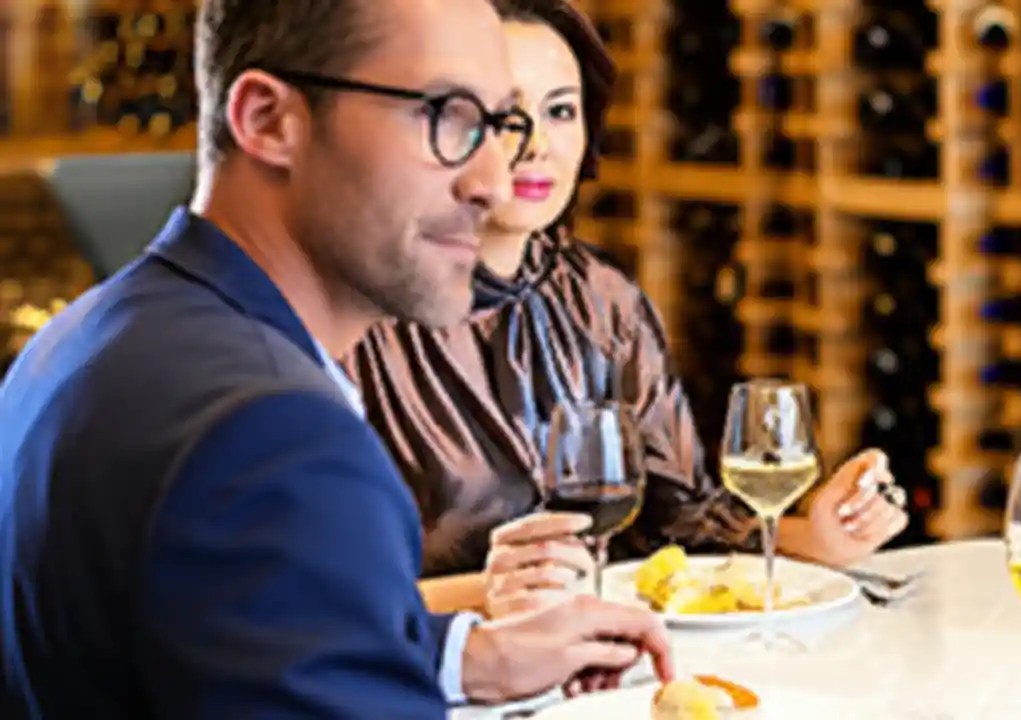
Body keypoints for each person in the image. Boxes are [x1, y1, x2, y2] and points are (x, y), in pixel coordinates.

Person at [0, 1, 672, 718]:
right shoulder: (274, 438)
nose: (494, 183)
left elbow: (215, 624)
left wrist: (464, 656)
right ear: (267, 119)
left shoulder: (96, 331)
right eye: (445, 116)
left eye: (496, 126)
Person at [343, 0, 910, 618]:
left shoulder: (600, 297)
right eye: (506, 115)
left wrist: (815, 537)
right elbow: (303, 602)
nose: (538, 146)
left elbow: (678, 521)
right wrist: (489, 594)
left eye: (561, 110)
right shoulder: (353, 319)